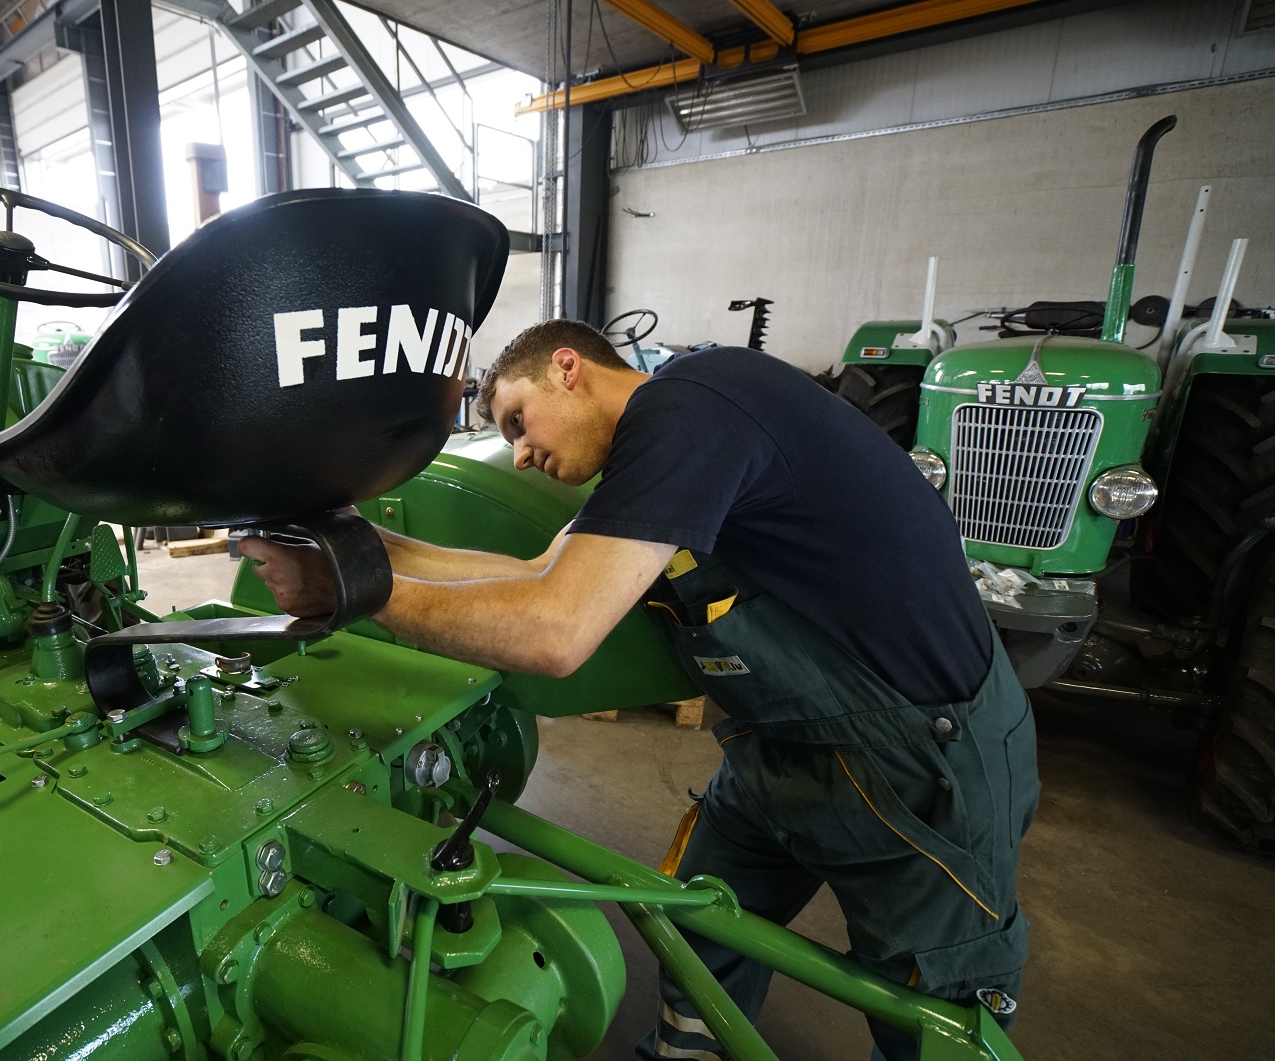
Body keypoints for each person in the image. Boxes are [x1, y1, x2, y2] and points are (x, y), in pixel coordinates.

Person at [240, 318, 1038, 1061]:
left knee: (936, 1012)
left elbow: (555, 631)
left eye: (517, 421)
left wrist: (350, 591)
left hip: (921, 758)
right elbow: (536, 574)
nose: (517, 453)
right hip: (785, 746)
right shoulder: (671, 438)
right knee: (700, 922)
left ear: (566, 369)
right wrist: (366, 545)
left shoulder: (691, 408)